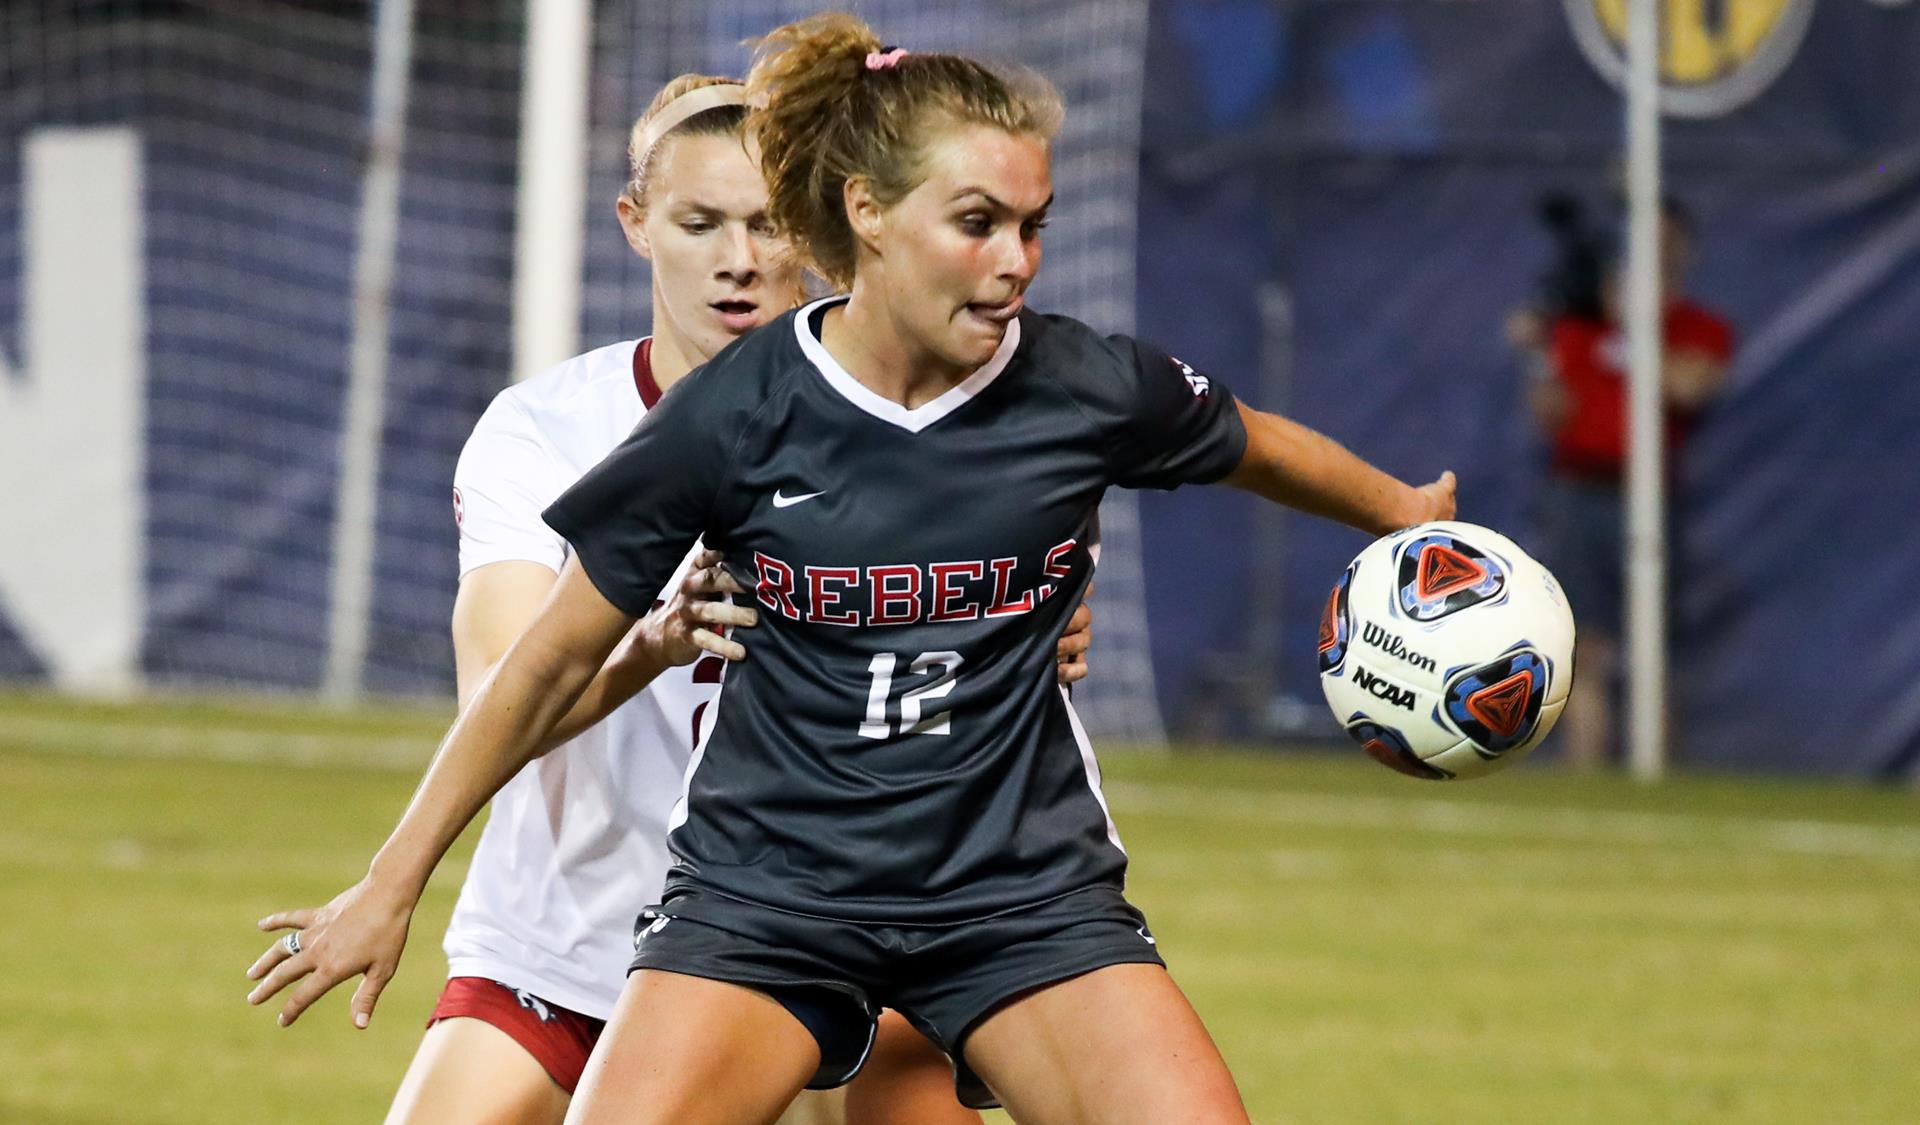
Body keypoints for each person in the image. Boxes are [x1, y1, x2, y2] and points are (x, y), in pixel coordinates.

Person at [245, 15, 1455, 1124]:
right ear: (867, 210)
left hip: (1014, 894)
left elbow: (1251, 444)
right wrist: (391, 882)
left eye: (1032, 225)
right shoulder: (732, 415)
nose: (1016, 260)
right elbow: (539, 666)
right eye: (977, 222)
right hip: (768, 901)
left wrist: (1400, 514)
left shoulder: (1081, 383)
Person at [248, 74, 1065, 1125]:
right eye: (700, 222)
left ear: (821, 226)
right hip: (569, 933)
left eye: (768, 223)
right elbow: (501, 692)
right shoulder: (544, 431)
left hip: (821, 936)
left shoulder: (914, 415)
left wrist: (1033, 617)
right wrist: (649, 640)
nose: (739, 259)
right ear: (636, 224)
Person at [1513, 198, 1733, 768]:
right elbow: (1549, 414)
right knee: (1582, 646)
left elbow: (1690, 388)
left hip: (1651, 497)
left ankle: (1656, 775)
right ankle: (1586, 778)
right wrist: (1541, 349)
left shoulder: (1698, 327)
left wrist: (1639, 327)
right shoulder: (1582, 326)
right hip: (1580, 490)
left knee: (1653, 651)